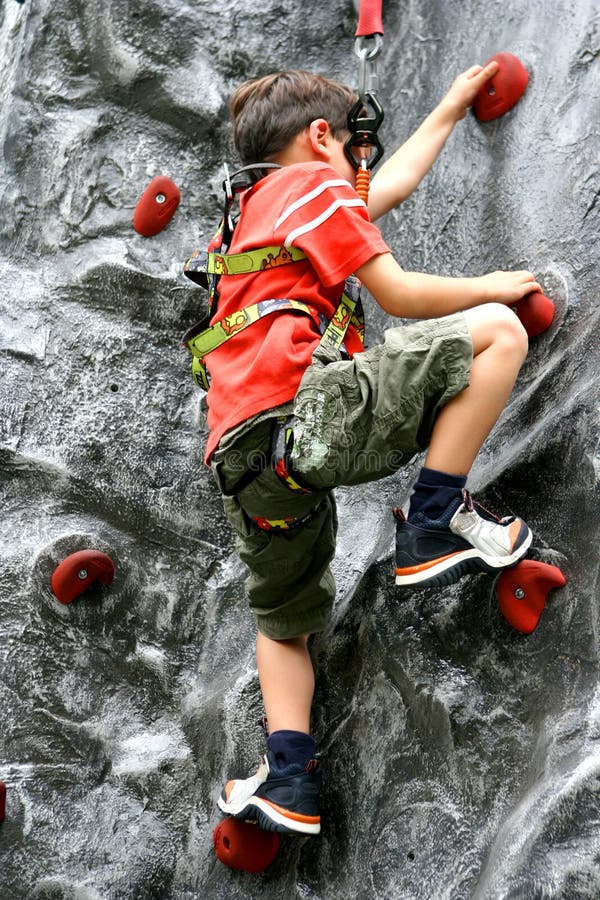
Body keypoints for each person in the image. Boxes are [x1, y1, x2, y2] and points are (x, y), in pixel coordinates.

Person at [188, 63, 540, 836]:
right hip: (305, 414)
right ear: (322, 138)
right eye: (355, 149)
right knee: (499, 334)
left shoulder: (250, 218)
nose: (361, 169)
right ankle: (435, 515)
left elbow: (391, 185)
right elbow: (399, 294)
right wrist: (493, 287)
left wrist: (449, 105)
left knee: (283, 620)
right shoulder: (314, 188)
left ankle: (289, 778)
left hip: (246, 466)